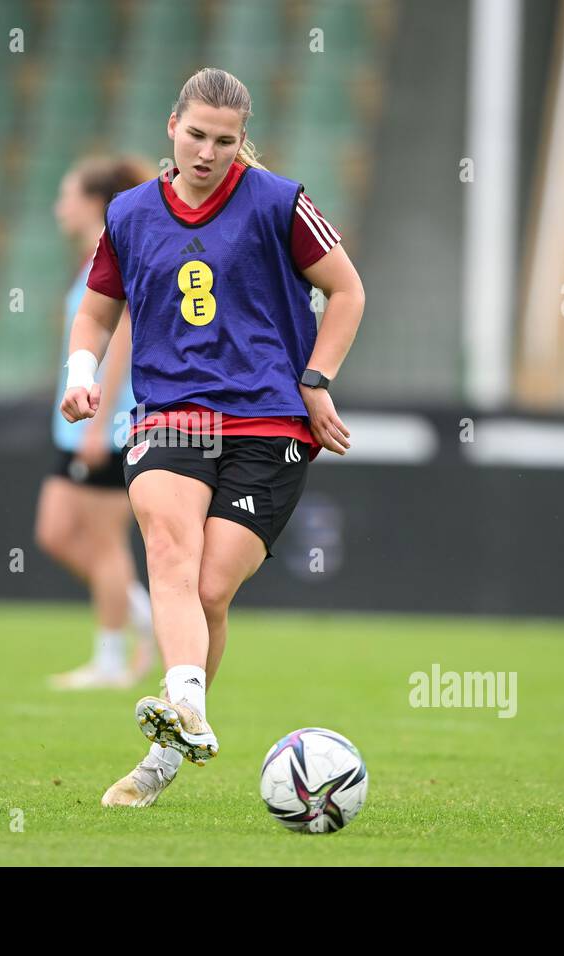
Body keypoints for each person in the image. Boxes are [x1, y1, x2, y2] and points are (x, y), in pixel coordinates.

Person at [60, 67, 367, 807]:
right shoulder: (130, 215)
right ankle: (187, 703)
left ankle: (164, 758)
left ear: (241, 142)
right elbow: (98, 311)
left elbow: (348, 292)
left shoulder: (279, 202)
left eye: (224, 142)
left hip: (269, 421)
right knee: (169, 550)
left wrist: (317, 380)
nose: (207, 152)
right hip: (172, 413)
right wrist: (80, 370)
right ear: (172, 126)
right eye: (196, 135)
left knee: (209, 589)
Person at [38, 155, 158, 690]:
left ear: (91, 203)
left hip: (107, 424)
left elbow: (122, 344)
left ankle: (111, 661)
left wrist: (97, 424)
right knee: (56, 532)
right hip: (77, 423)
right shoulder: (92, 258)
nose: (58, 205)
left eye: (66, 194)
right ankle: (146, 616)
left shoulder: (115, 255)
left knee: (106, 543)